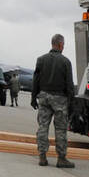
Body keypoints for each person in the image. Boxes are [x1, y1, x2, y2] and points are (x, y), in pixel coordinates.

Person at [32, 33, 76, 168]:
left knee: (43, 127)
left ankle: (42, 156)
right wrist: (72, 103)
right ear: (60, 44)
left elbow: (36, 80)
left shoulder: (41, 59)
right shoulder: (65, 62)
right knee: (61, 129)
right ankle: (61, 158)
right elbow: (69, 85)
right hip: (60, 100)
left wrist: (34, 97)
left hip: (44, 97)